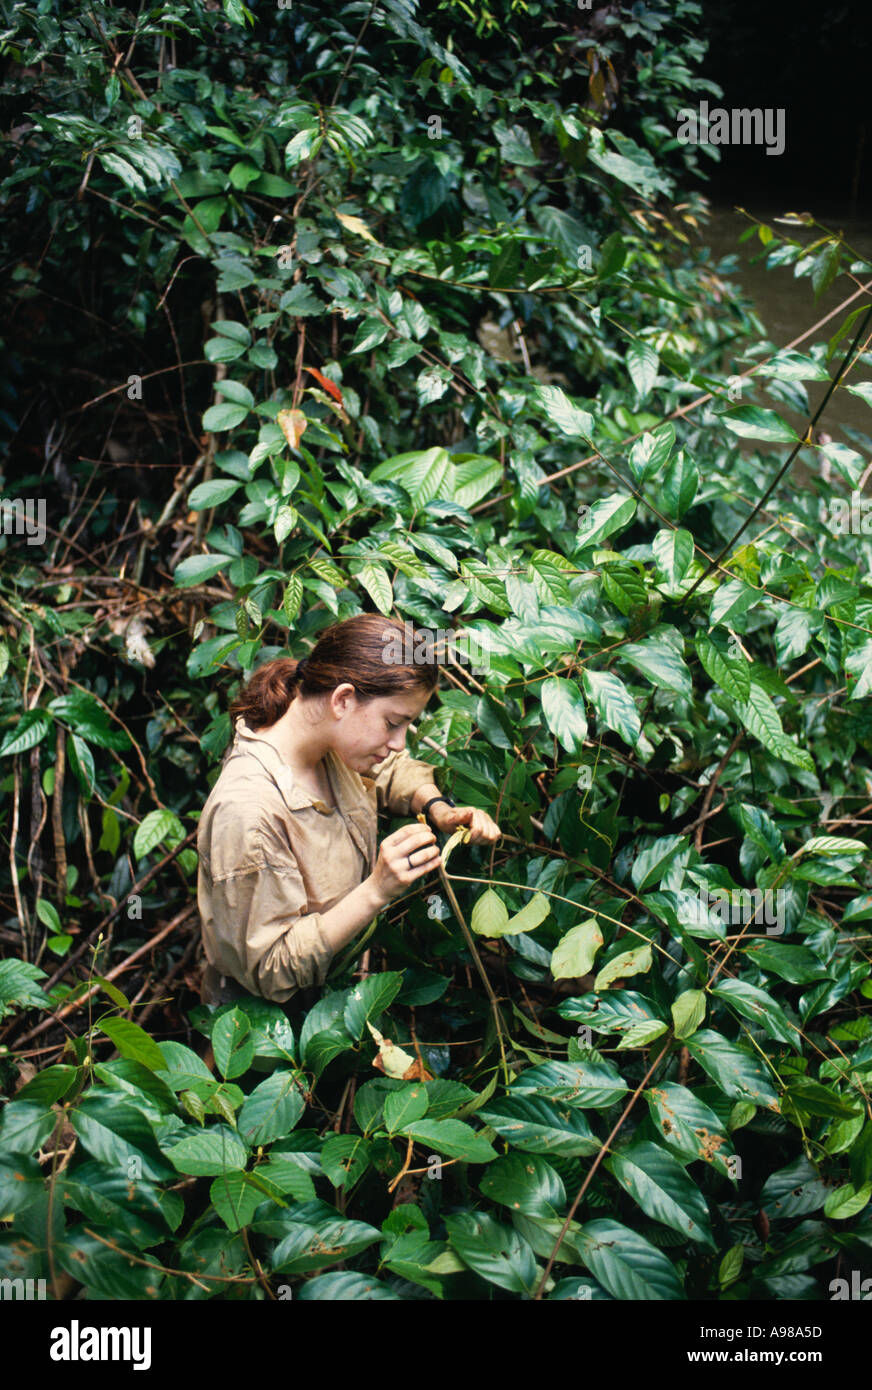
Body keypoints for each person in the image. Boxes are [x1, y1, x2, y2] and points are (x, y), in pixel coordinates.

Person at [196, 613, 501, 1009]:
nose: (397, 742)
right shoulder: (249, 813)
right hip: (265, 1025)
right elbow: (270, 970)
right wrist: (377, 890)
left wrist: (439, 808)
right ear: (342, 699)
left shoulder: (324, 736)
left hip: (338, 986)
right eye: (393, 723)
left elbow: (389, 769)